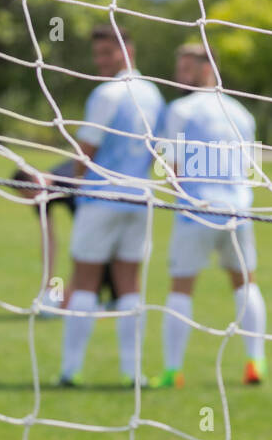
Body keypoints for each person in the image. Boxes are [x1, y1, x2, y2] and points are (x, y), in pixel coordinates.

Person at [152, 43, 267, 390]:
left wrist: (177, 198)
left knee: (181, 287)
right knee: (245, 282)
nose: (179, 75)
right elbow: (250, 167)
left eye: (187, 68)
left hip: (196, 212)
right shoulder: (241, 112)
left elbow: (170, 167)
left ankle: (173, 371)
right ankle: (255, 360)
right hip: (238, 211)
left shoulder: (180, 110)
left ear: (207, 67)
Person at [56, 23, 164, 387]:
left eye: (107, 53)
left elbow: (85, 150)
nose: (100, 61)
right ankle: (132, 374)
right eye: (97, 54)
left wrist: (74, 181)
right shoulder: (153, 94)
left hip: (101, 197)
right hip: (139, 200)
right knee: (130, 286)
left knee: (84, 282)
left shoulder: (107, 94)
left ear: (127, 51)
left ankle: (70, 371)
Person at [12, 159, 118, 317]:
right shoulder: (42, 196)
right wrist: (49, 282)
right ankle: (95, 301)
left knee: (98, 256)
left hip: (109, 207)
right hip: (92, 220)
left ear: (35, 181)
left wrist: (69, 290)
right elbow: (48, 239)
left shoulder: (72, 182)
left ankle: (107, 300)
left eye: (28, 195)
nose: (30, 201)